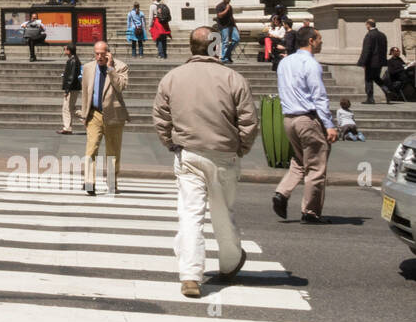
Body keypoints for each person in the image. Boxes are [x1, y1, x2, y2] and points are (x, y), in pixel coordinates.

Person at [152, 26, 257, 298]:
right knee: (223, 212)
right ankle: (230, 262)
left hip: (188, 153)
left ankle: (190, 275)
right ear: (216, 47)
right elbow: (248, 121)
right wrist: (241, 147)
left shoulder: (172, 78)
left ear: (191, 48)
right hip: (224, 153)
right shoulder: (234, 78)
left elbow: (161, 118)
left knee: (190, 214)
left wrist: (170, 143)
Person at [272, 26, 336, 224]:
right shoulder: (311, 64)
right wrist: (329, 124)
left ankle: (282, 193)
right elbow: (319, 96)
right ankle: (311, 211)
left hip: (289, 119)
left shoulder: (285, 63)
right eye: (319, 39)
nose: (321, 42)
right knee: (316, 166)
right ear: (311, 41)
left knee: (300, 160)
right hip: (307, 118)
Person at [81, 39, 129, 196]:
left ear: (109, 53)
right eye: (97, 54)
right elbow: (86, 93)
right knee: (91, 148)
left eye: (102, 54)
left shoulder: (120, 66)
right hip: (94, 114)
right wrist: (84, 115)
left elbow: (121, 86)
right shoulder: (88, 68)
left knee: (112, 152)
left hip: (113, 115)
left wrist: (110, 69)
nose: (99, 57)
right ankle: (89, 182)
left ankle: (111, 183)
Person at [357, 18, 388, 104]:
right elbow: (384, 49)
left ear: (368, 25)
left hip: (371, 62)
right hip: (380, 62)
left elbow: (367, 50)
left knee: (368, 79)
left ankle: (370, 98)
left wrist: (363, 62)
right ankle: (387, 90)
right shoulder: (382, 35)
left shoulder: (369, 35)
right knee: (376, 77)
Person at [59, 43, 81, 134]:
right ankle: (85, 117)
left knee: (67, 108)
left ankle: (67, 127)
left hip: (72, 88)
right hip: (73, 87)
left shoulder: (73, 61)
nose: (64, 51)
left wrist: (67, 90)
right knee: (70, 107)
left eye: (65, 49)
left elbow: (71, 77)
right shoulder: (73, 60)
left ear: (69, 50)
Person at [214, 0, 236, 64]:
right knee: (225, 42)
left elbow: (231, 17)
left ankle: (227, 54)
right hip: (224, 26)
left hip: (231, 25)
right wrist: (226, 9)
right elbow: (219, 15)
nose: (229, 0)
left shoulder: (230, 6)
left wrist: (235, 26)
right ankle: (224, 58)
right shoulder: (219, 6)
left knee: (236, 39)